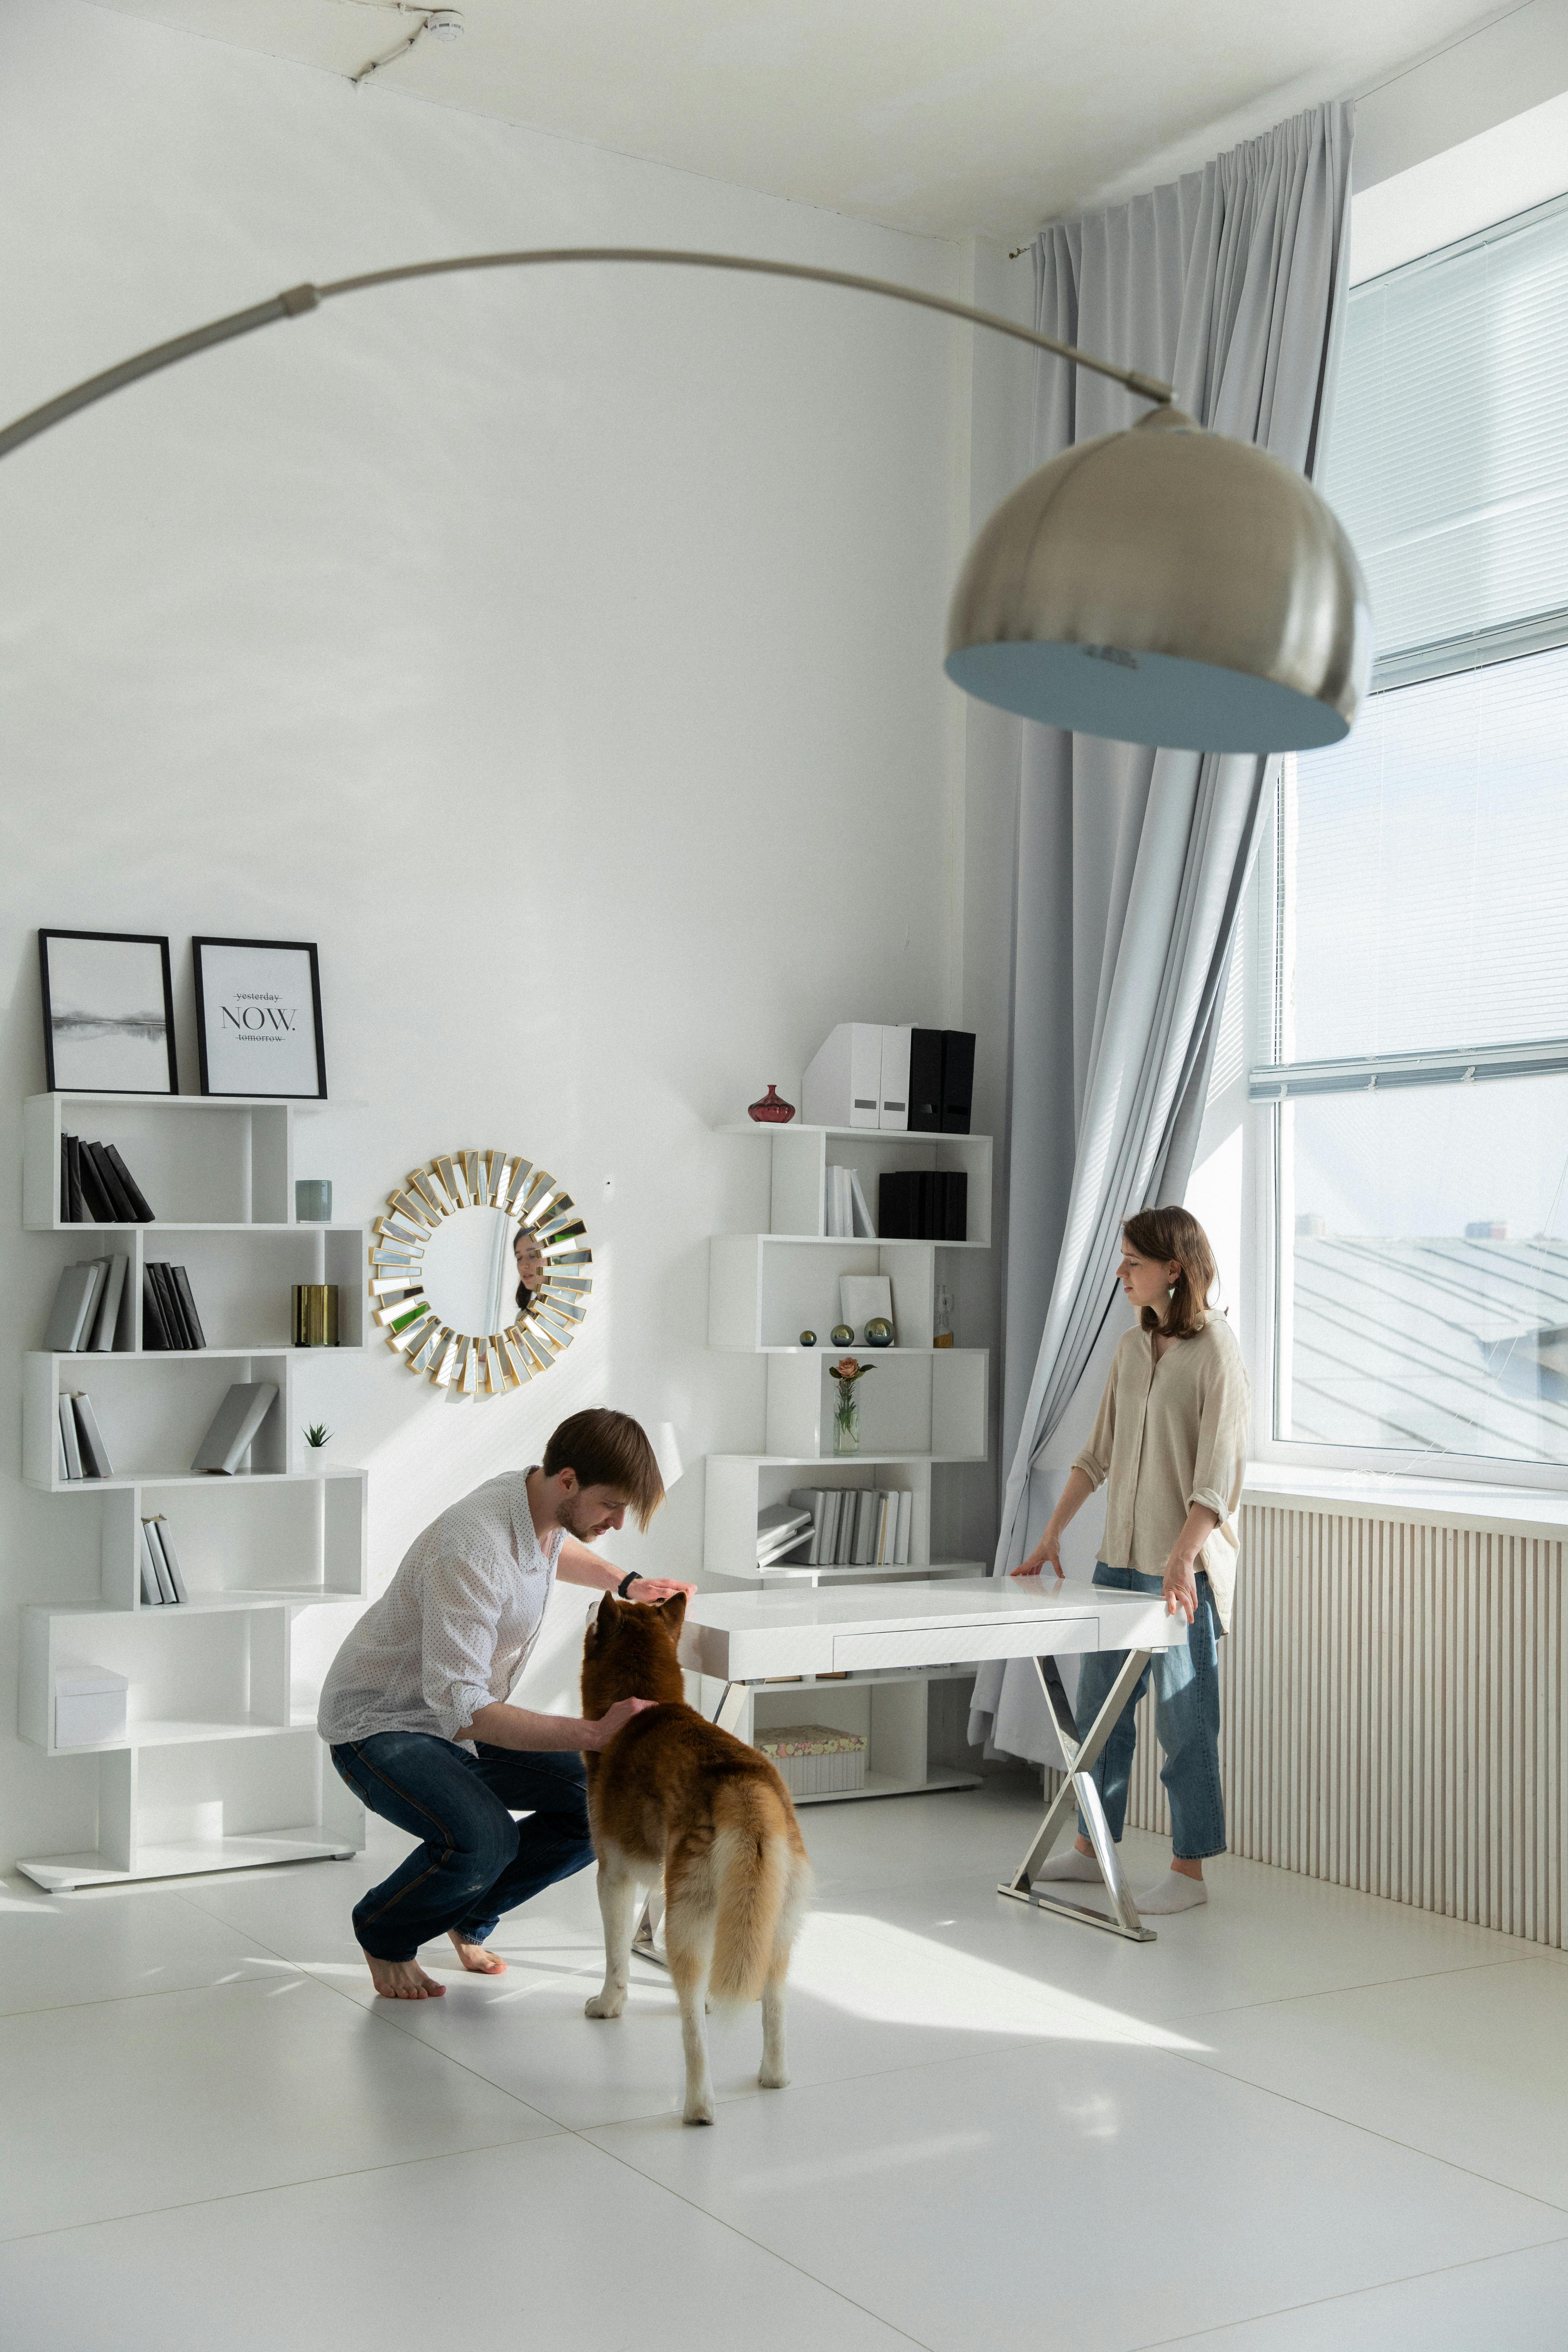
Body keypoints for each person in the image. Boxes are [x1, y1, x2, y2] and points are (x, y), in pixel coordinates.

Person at [318, 1407, 695, 1999]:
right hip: (383, 1721)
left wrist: (625, 1584)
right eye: (611, 1506)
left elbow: (550, 1553)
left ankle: (465, 1913)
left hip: (455, 1713)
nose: (619, 1522)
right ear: (568, 1480)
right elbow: (464, 1709)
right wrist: (594, 1733)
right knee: (488, 1839)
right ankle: (385, 1933)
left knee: (596, 1805)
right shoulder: (473, 1545)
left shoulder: (534, 1502)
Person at [1012, 1206, 1248, 1916]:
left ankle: (1188, 1871)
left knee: (1185, 1723)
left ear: (1172, 1269)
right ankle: (1091, 1850)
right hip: (1118, 1562)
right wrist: (1052, 1535)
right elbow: (1095, 1456)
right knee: (1097, 1722)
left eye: (1132, 1263)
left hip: (1181, 1572)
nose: (1120, 1273)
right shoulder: (1128, 1348)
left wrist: (1181, 1561)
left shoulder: (1217, 1353)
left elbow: (1215, 1477)